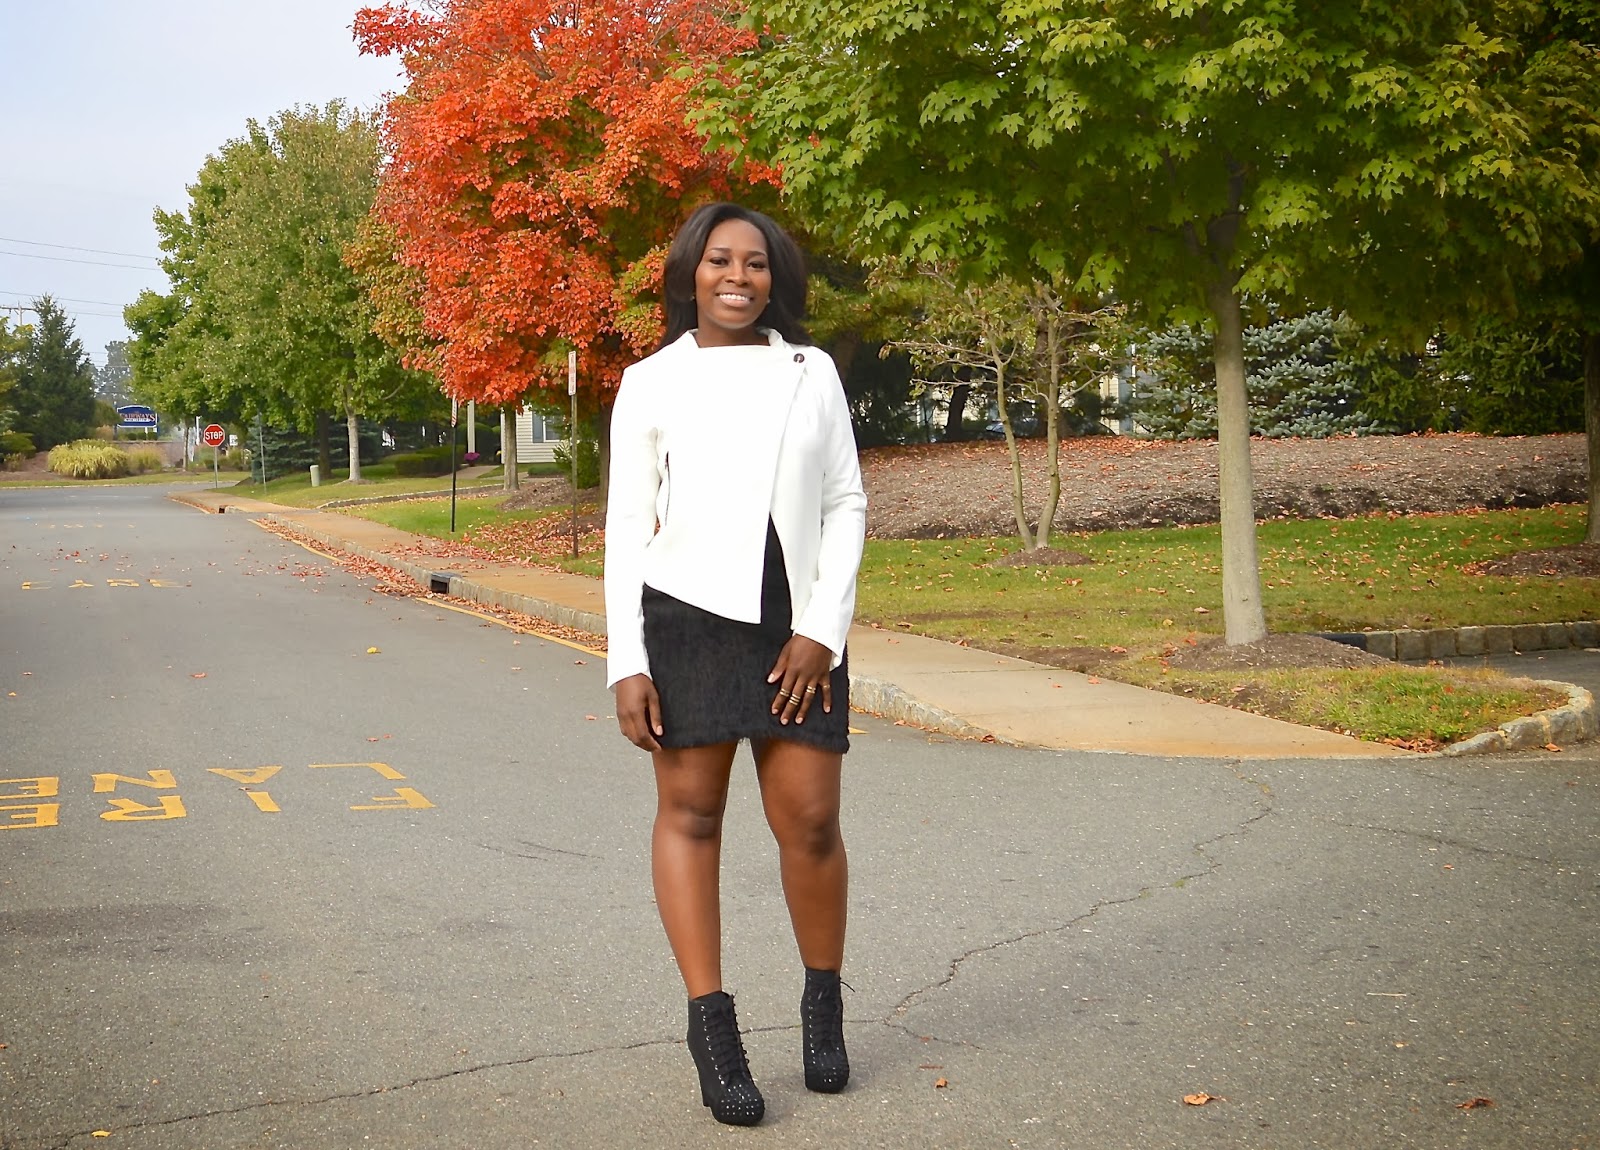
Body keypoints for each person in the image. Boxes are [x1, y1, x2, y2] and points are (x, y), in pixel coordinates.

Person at [604, 202, 867, 1126]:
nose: (738, 277)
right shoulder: (649, 381)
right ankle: (712, 1028)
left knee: (813, 822)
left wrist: (822, 630)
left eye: (756, 263)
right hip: (685, 619)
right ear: (691, 272)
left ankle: (823, 1003)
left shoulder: (813, 371)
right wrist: (626, 661)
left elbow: (845, 503)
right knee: (692, 813)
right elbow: (627, 530)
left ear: (774, 278)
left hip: (794, 620)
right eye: (720, 260)